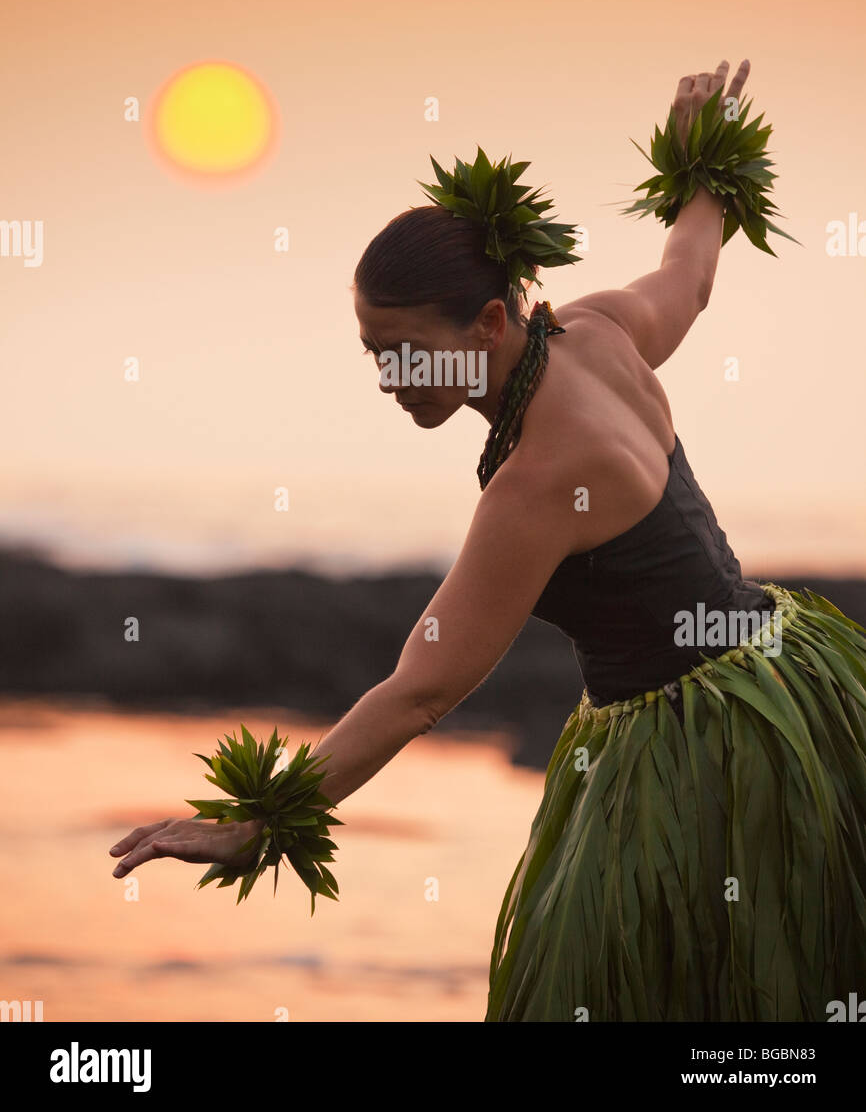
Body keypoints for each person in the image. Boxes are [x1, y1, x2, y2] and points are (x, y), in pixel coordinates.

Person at [110, 59, 866, 1021]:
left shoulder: (536, 483)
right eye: (373, 354)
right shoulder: (598, 332)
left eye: (405, 351)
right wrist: (702, 163)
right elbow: (692, 274)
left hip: (705, 756)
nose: (391, 378)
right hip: (778, 675)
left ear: (490, 319)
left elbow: (420, 689)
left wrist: (256, 825)